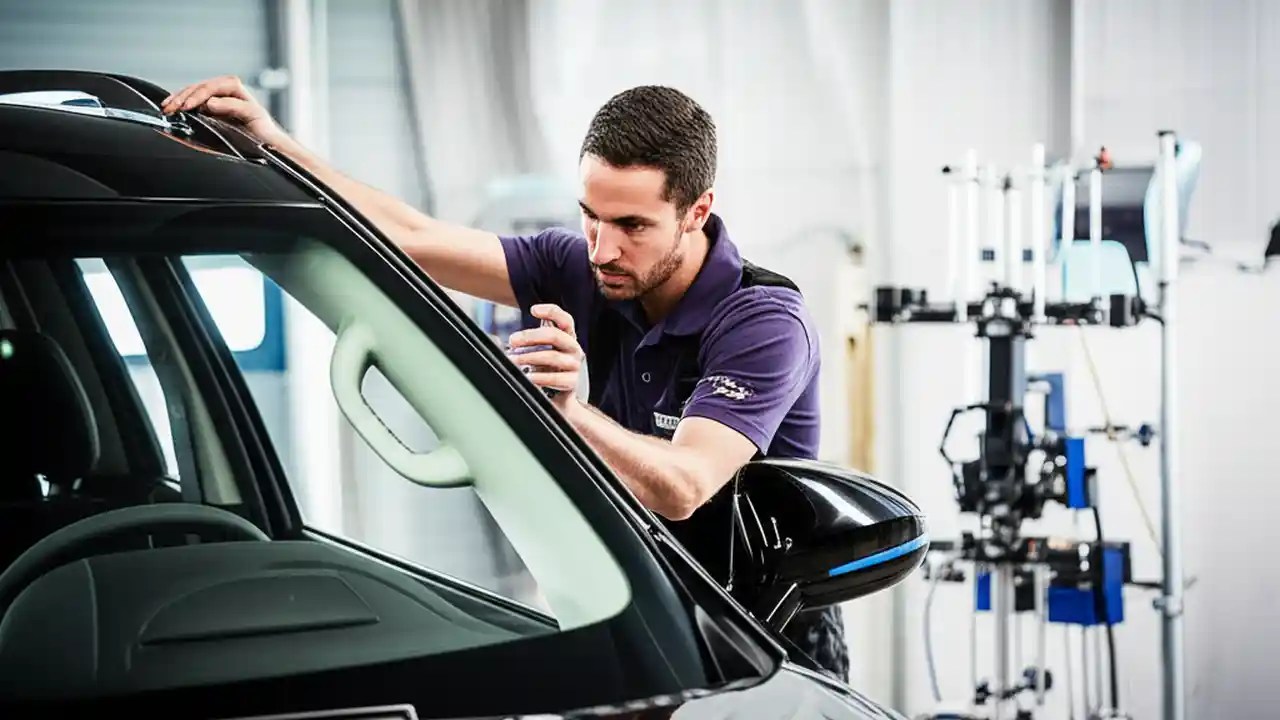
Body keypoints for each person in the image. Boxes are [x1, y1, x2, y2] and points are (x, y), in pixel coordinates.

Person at [161, 76, 849, 681]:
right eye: (591, 216)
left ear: (697, 211)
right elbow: (412, 237)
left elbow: (683, 486)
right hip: (643, 618)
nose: (603, 249)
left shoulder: (762, 322)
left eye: (633, 225)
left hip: (767, 646)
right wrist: (276, 147)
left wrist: (568, 411)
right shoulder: (577, 265)